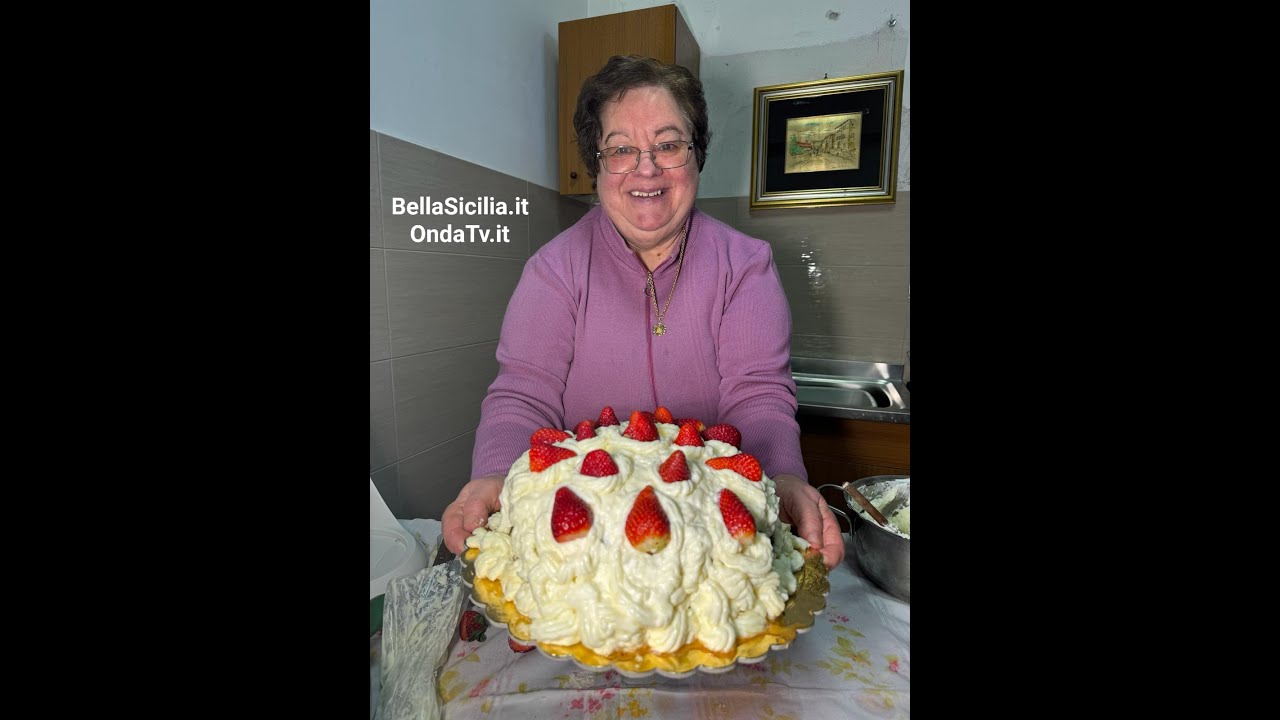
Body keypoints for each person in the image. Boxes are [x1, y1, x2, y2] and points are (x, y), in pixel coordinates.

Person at [441, 54, 844, 569]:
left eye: (668, 145)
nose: (646, 168)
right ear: (597, 165)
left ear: (697, 154)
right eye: (621, 150)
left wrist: (783, 475)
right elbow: (524, 395)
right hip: (586, 537)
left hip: (710, 535)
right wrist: (497, 474)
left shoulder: (746, 266)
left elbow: (759, 397)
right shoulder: (553, 269)